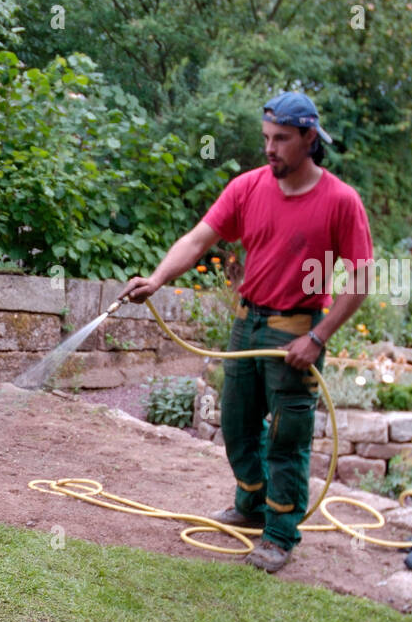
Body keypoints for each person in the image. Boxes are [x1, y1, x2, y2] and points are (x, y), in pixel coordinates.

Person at [118, 92, 373, 573]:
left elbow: (360, 280)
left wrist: (317, 339)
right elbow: (198, 239)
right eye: (266, 138)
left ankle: (279, 534)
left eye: (281, 140)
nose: (270, 148)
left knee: (286, 437)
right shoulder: (249, 188)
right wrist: (156, 279)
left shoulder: (340, 201)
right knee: (235, 422)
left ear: (309, 139)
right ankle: (251, 505)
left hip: (295, 330)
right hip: (247, 322)